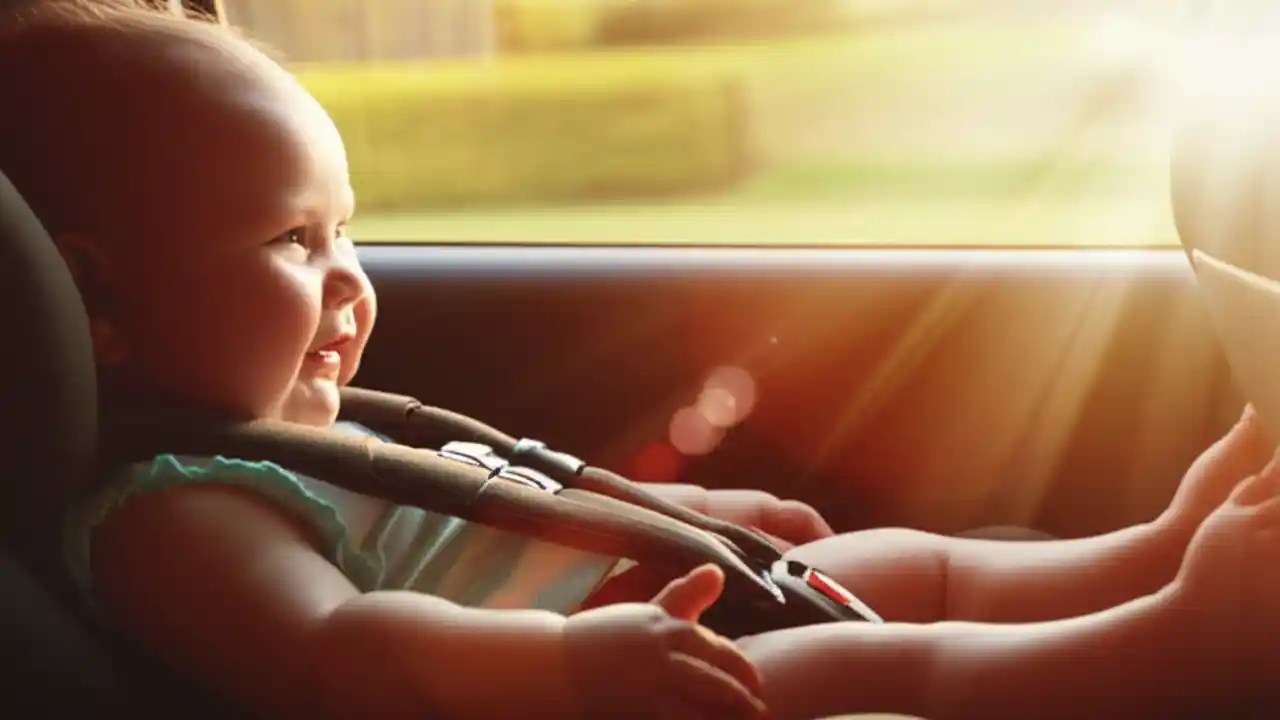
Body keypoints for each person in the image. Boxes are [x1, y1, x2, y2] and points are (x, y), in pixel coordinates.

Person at [2, 2, 1274, 718]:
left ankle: (1146, 554)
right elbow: (342, 650)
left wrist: (684, 517)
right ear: (93, 303)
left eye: (348, 232)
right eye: (291, 241)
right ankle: (1163, 646)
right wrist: (567, 666)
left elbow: (507, 511)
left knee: (902, 565)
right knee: (863, 656)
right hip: (588, 691)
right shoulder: (165, 515)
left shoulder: (302, 436)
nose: (349, 279)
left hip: (634, 613)